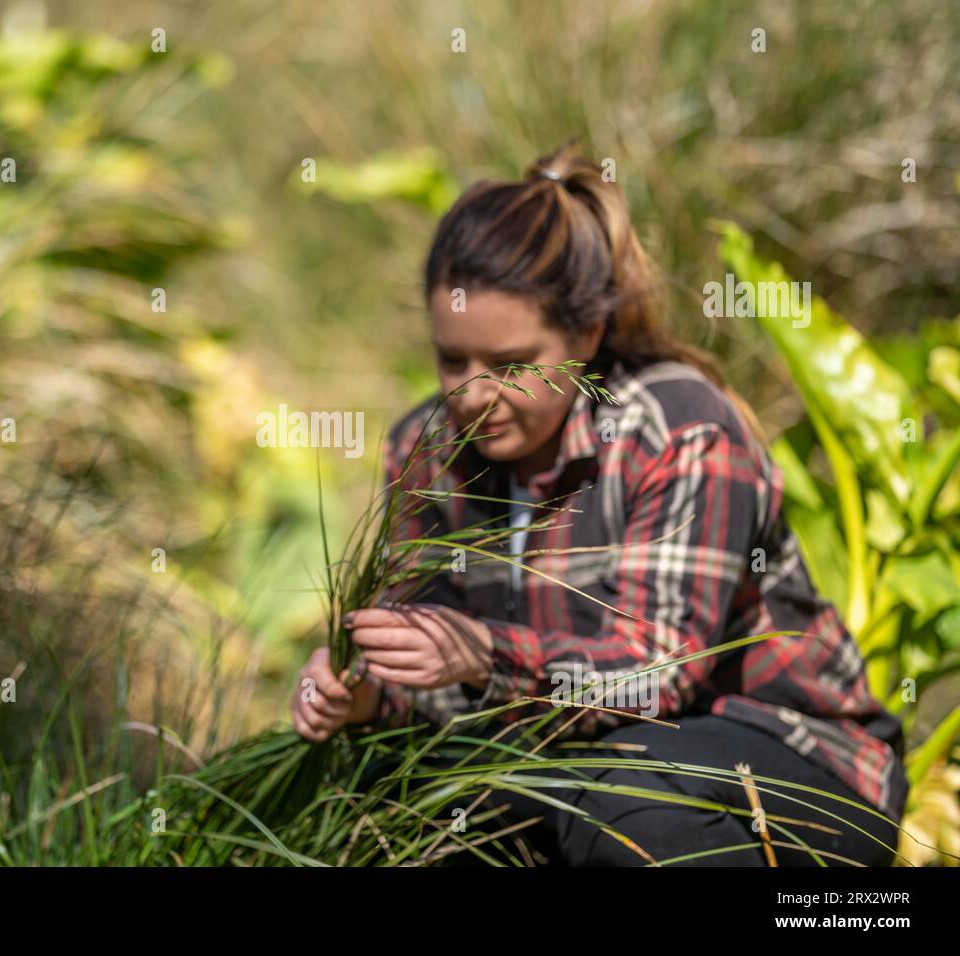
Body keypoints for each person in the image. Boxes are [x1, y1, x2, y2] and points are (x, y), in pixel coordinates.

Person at [289, 141, 908, 866]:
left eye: (512, 366)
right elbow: (438, 683)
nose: (473, 394)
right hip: (572, 760)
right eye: (452, 360)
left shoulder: (679, 430)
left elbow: (654, 676)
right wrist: (365, 695)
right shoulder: (426, 451)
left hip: (786, 761)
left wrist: (483, 652)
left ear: (585, 335)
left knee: (621, 795)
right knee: (407, 794)